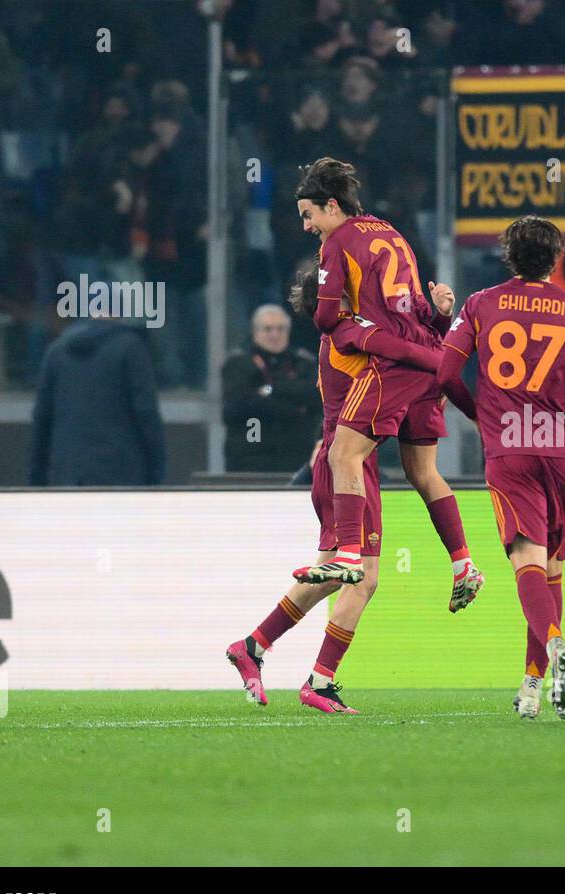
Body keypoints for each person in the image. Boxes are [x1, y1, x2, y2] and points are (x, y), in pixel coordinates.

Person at [224, 263, 477, 715]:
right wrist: (459, 361)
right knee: (362, 578)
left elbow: (408, 343)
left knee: (337, 576)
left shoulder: (350, 331)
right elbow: (412, 354)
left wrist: (437, 319)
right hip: (346, 467)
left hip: (351, 467)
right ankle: (317, 680)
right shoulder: (349, 334)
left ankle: (254, 647)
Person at [435, 216, 565, 721]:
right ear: (556, 258)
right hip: (563, 451)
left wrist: (481, 411)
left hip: (510, 449)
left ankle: (555, 643)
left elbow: (446, 373)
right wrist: (564, 392)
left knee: (526, 564)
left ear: (509, 257)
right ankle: (532, 687)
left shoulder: (480, 304)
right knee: (550, 570)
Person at [287, 158, 484, 615]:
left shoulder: (338, 243)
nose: (306, 225)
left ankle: (349, 556)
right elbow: (416, 307)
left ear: (331, 206)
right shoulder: (391, 232)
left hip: (394, 362)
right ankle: (463, 565)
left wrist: (351, 327)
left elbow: (324, 315)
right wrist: (438, 314)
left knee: (341, 452)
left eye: (308, 214)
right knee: (423, 472)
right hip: (426, 356)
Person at [28, 309, 165, 487]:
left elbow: (42, 419)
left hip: (69, 474)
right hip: (123, 474)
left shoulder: (57, 351)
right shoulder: (130, 349)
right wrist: (156, 473)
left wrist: (36, 480)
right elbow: (146, 415)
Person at [221, 304, 321, 472]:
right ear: (255, 332)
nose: (275, 335)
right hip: (248, 461)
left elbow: (317, 398)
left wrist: (270, 390)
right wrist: (295, 409)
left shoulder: (305, 363)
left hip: (296, 461)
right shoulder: (238, 364)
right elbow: (237, 407)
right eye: (268, 329)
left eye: (280, 329)